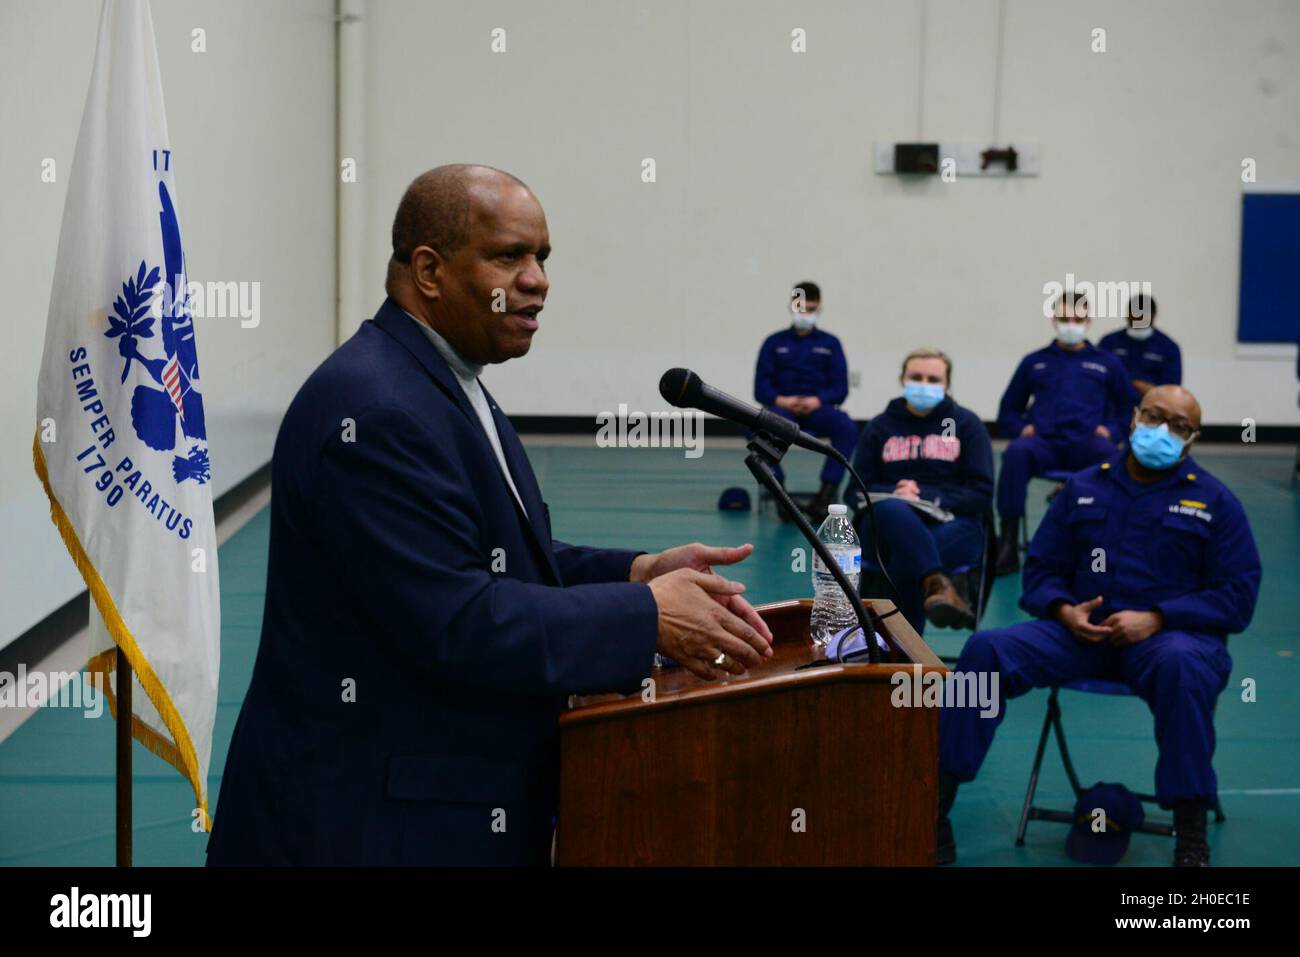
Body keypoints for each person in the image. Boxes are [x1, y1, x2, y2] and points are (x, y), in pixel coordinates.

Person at [206, 165, 774, 866]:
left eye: (543, 257)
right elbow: (459, 618)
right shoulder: (378, 409)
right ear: (430, 270)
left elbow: (491, 555)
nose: (537, 279)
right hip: (365, 825)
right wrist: (646, 615)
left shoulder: (438, 379)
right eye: (510, 255)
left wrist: (636, 572)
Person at [937, 385, 1261, 868]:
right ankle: (934, 804)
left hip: (1168, 640)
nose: (1162, 431)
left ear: (1192, 438)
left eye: (1178, 426)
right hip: (1080, 633)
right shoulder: (1085, 486)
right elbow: (1041, 570)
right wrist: (1064, 609)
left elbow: (1237, 596)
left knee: (1184, 669)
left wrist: (1159, 618)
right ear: (1134, 417)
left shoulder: (1215, 502)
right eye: (1154, 417)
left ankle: (1189, 832)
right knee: (986, 652)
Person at [847, 348, 993, 635]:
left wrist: (927, 496)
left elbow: (982, 492)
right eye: (916, 377)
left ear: (947, 384)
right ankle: (935, 585)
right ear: (902, 379)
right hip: (885, 526)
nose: (924, 384)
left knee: (906, 559)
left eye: (933, 378)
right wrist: (896, 492)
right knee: (892, 510)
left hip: (953, 524)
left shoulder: (968, 425)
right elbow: (853, 492)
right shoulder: (880, 426)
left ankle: (899, 654)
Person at [994, 292, 1137, 575]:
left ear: (1088, 321)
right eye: (1064, 318)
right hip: (1044, 442)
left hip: (1088, 443)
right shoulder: (1034, 361)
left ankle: (1101, 544)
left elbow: (1128, 408)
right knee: (1015, 454)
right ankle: (1008, 544)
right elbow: (1008, 408)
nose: (1070, 324)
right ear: (1053, 320)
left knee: (1115, 460)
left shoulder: (1107, 363)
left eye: (1077, 318)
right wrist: (1022, 428)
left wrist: (1111, 431)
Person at [754, 281, 859, 521]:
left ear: (819, 309)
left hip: (818, 410)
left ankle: (826, 495)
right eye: (801, 308)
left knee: (847, 428)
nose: (805, 314)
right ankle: (779, 493)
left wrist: (818, 400)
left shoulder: (831, 344)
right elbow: (761, 388)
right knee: (755, 428)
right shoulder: (773, 343)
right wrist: (782, 400)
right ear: (791, 307)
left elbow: (840, 388)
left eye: (810, 309)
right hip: (782, 410)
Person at [1098, 293, 1182, 423]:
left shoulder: (1168, 347)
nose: (1139, 318)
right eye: (1135, 314)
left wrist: (1143, 387)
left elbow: (1172, 391)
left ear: (1153, 316)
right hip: (1113, 411)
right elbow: (1098, 379)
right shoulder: (1109, 343)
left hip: (1153, 413)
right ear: (1128, 314)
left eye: (1144, 315)